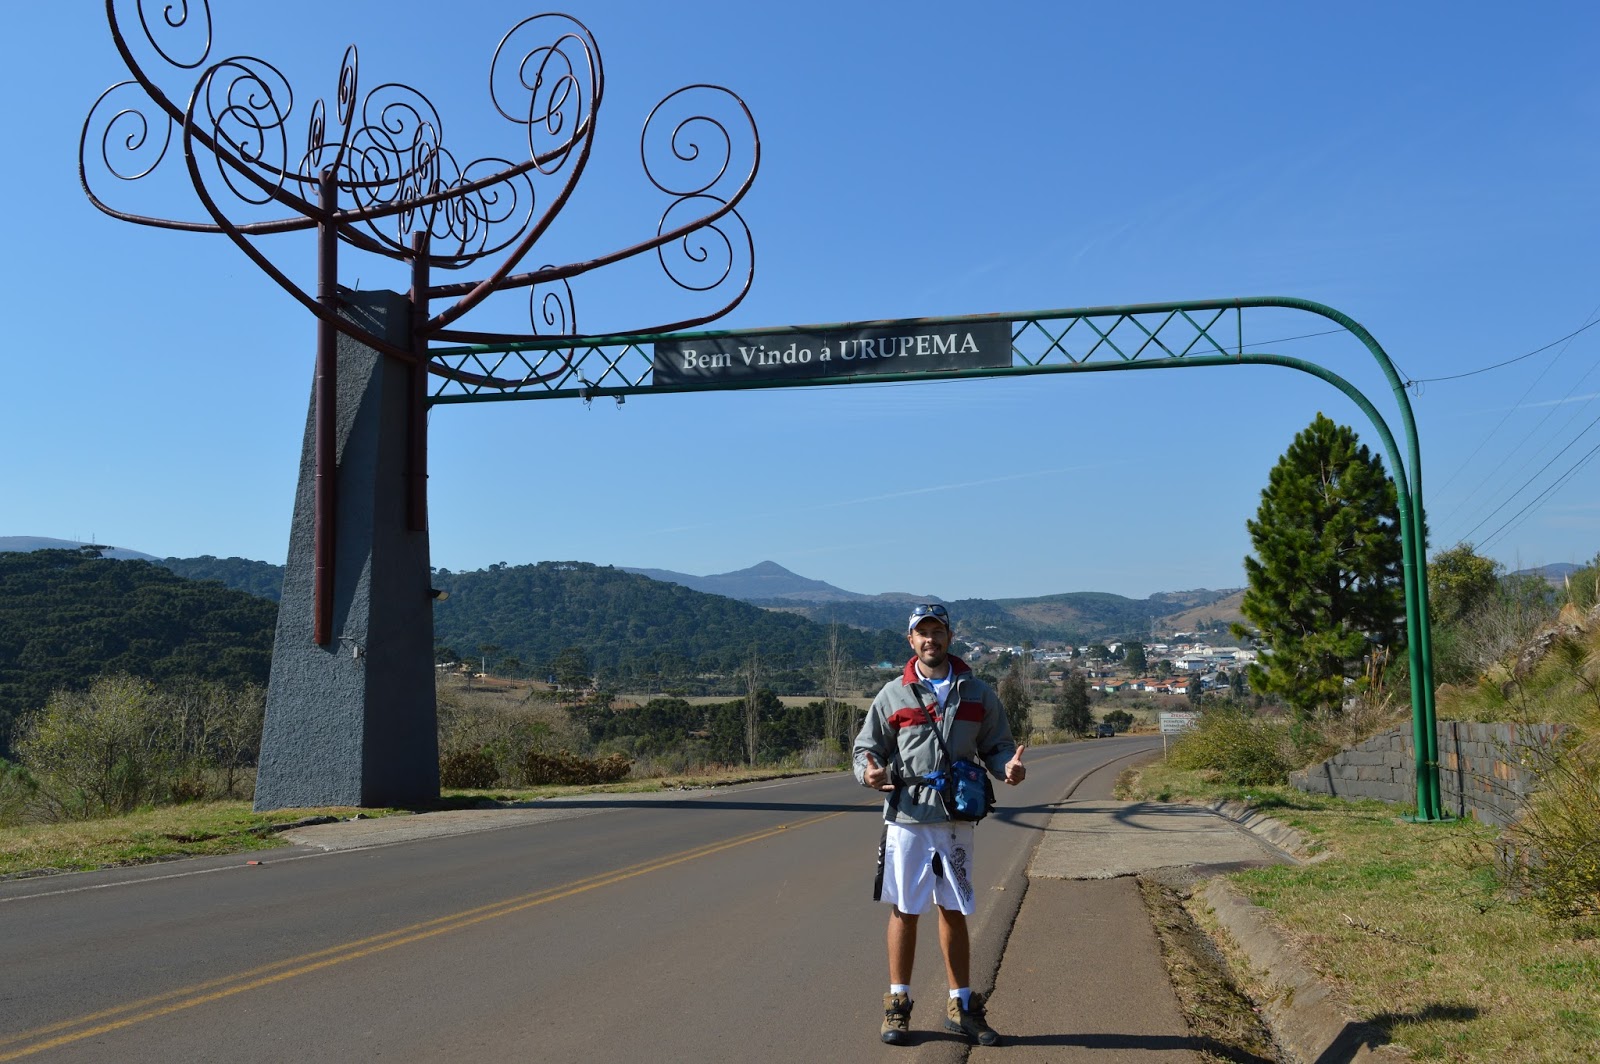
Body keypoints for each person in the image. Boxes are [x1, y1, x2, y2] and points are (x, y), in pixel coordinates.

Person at [853, 603, 1026, 1047]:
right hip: (908, 817)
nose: (930, 639)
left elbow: (998, 746)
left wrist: (1008, 768)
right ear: (911, 641)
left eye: (937, 631)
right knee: (905, 909)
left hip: (957, 819)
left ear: (950, 637)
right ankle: (898, 1003)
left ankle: (961, 1006)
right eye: (921, 633)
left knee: (953, 908)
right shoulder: (892, 694)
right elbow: (865, 750)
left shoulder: (979, 694)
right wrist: (869, 773)